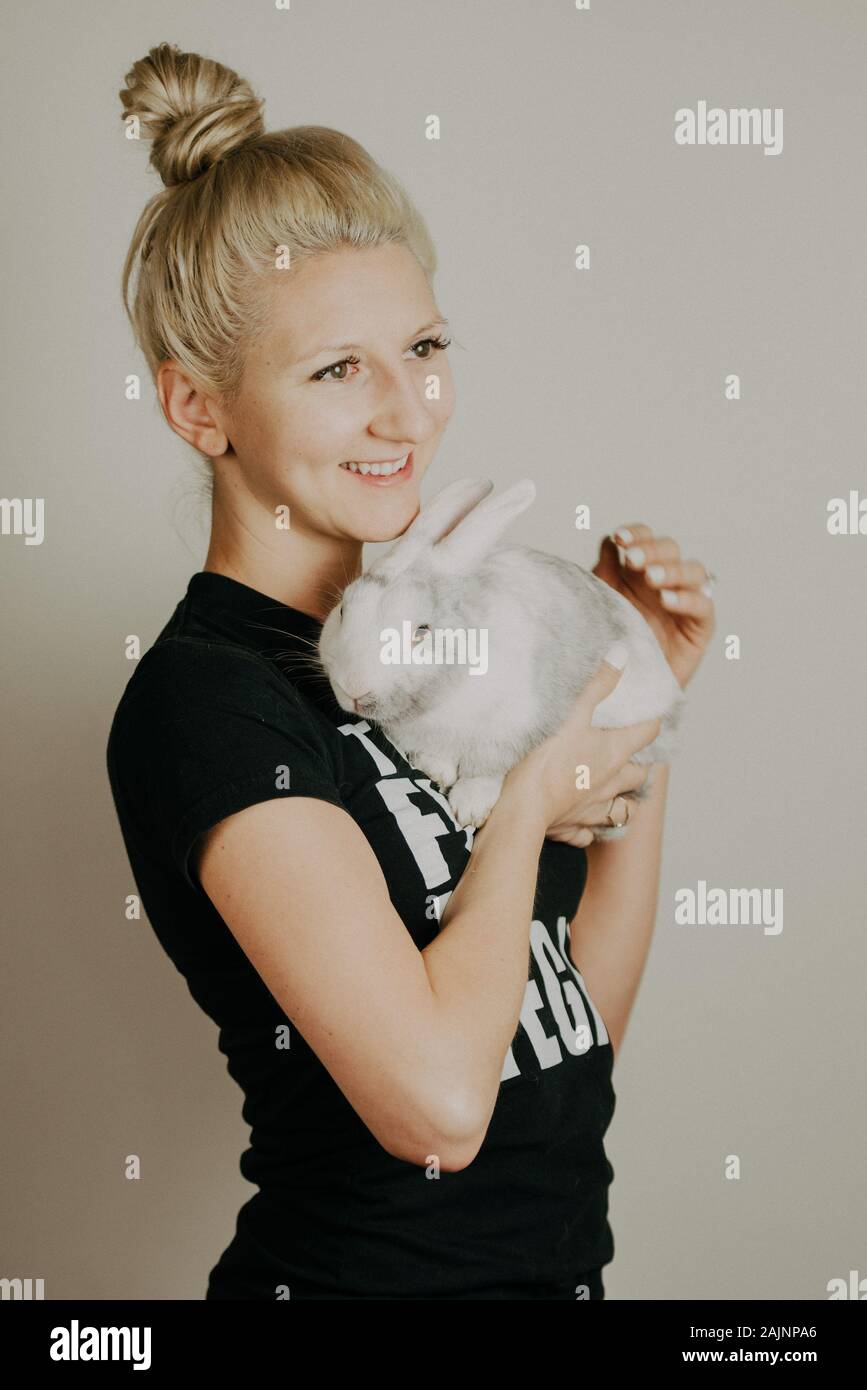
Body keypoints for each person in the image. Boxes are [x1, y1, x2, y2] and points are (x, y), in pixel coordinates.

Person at [106, 42, 715, 1301]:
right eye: (338, 371)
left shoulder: (461, 631)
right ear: (199, 408)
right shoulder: (207, 701)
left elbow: (570, 1030)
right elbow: (440, 1108)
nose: (411, 411)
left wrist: (632, 692)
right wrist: (542, 785)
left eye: (424, 346)